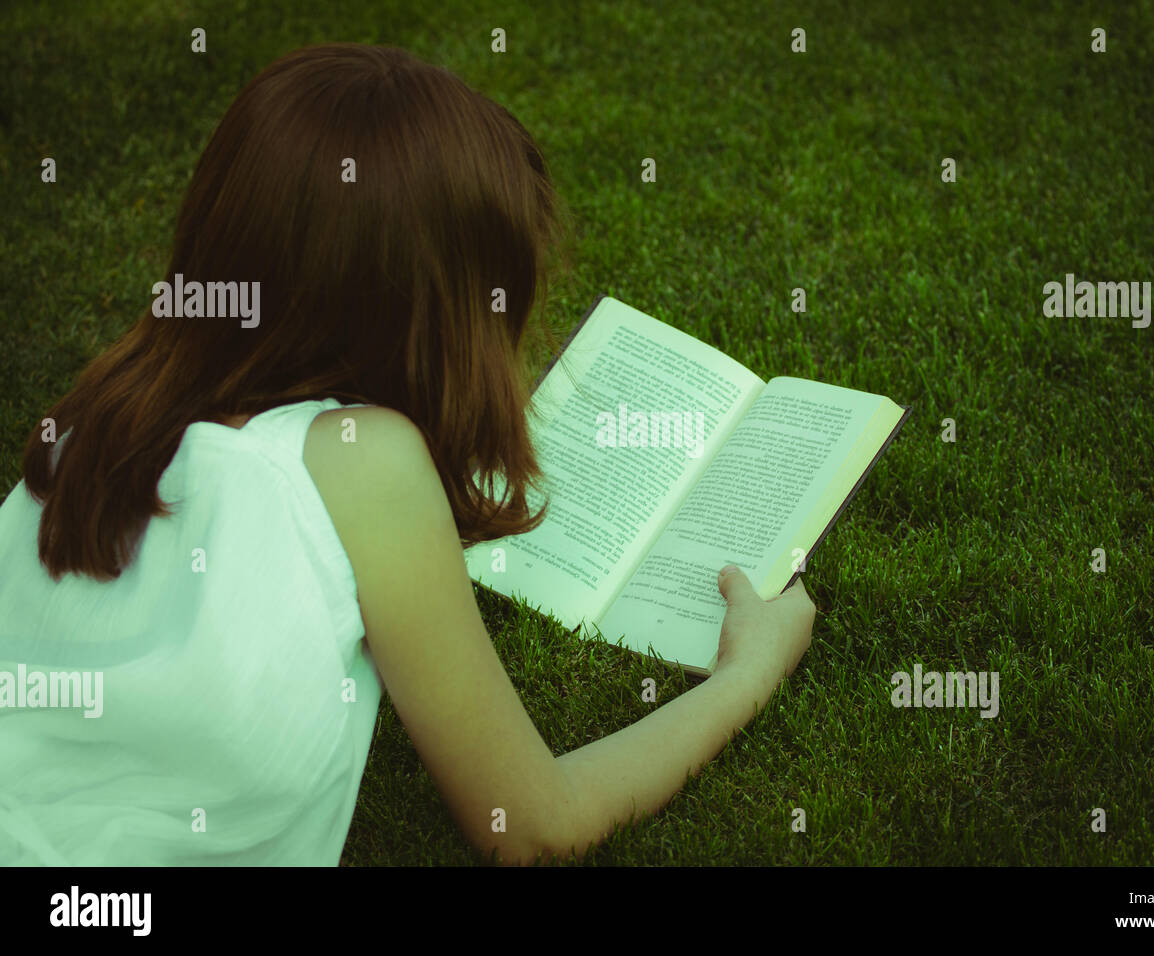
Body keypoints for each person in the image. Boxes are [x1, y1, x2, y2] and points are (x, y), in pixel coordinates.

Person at [0, 43, 814, 866]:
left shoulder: (92, 420)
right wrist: (746, 673)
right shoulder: (368, 463)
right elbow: (536, 824)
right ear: (438, 322)